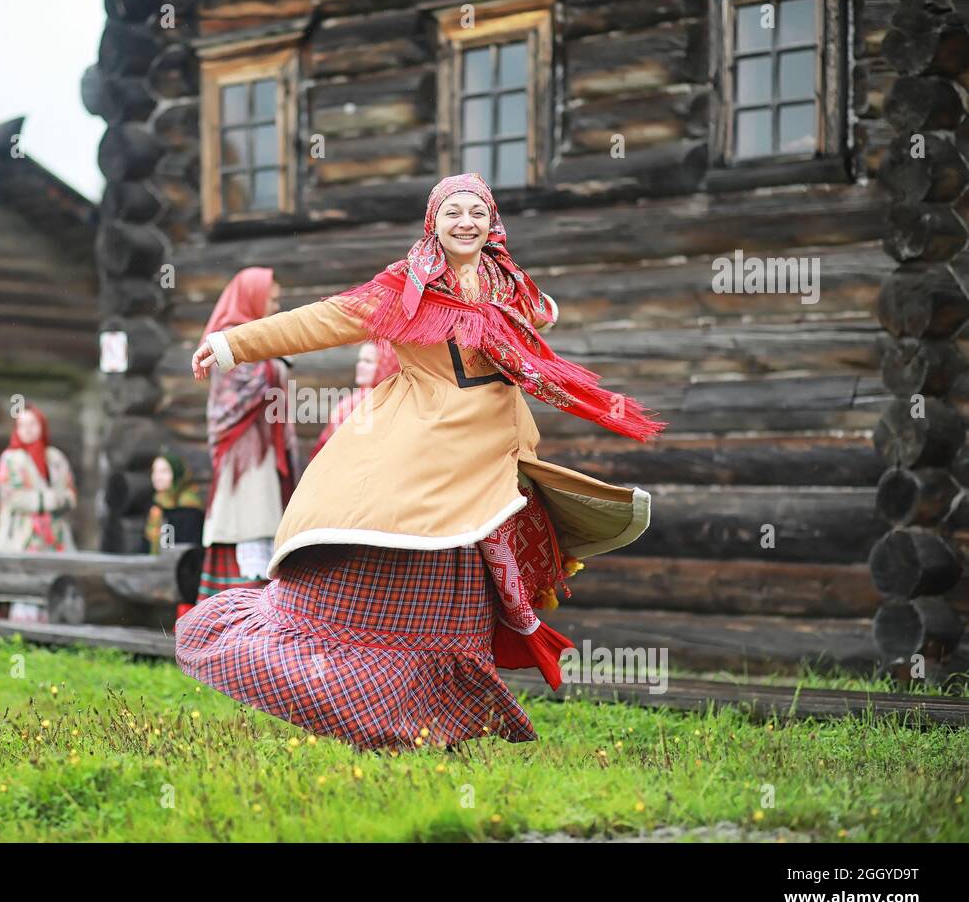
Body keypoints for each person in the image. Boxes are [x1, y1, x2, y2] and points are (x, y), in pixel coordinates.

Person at [178, 172, 666, 752]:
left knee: (460, 600)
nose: (466, 222)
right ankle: (360, 699)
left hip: (489, 466)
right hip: (425, 455)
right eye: (454, 212)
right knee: (398, 554)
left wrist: (546, 310)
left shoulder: (508, 286)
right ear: (434, 221)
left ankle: (441, 725)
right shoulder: (402, 289)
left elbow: (540, 314)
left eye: (477, 212)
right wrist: (235, 343)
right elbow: (324, 319)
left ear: (492, 222)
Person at [196, 266, 298, 600]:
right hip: (245, 453)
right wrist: (275, 357)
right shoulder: (229, 337)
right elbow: (245, 386)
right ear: (252, 297)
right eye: (271, 299)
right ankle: (236, 613)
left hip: (266, 448)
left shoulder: (257, 336)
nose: (275, 307)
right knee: (248, 522)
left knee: (264, 522)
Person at [0, 404, 78, 622]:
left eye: (33, 424)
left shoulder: (55, 458)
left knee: (55, 579)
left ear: (42, 426)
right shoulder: (11, 459)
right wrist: (49, 499)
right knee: (22, 581)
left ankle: (54, 628)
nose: (28, 429)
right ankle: (20, 631)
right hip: (22, 534)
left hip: (54, 536)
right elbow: (12, 496)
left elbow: (70, 492)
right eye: (22, 425)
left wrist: (61, 499)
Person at [310, 340, 401, 459]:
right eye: (360, 360)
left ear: (385, 365)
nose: (360, 365)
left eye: (368, 361)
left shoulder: (391, 402)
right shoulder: (351, 401)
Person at [143, 450, 204, 554]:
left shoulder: (189, 507)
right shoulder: (157, 504)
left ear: (177, 473)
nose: (157, 477)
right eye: (154, 471)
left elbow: (188, 547)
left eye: (164, 471)